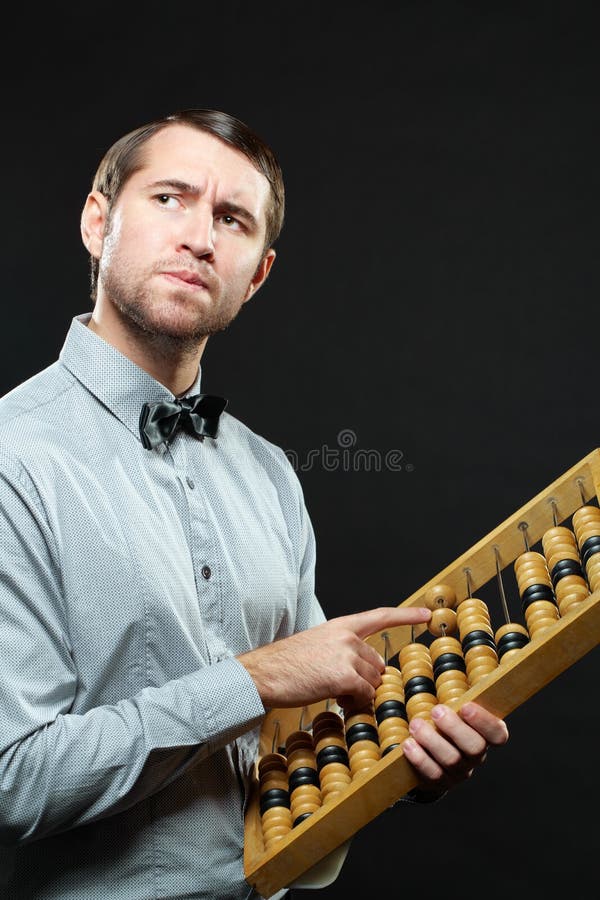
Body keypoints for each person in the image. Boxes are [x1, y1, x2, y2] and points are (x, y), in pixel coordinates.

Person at [0, 108, 508, 900]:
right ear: (98, 223)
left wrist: (407, 760)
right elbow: (13, 782)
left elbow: (307, 739)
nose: (200, 237)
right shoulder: (12, 458)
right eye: (170, 198)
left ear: (257, 273)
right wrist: (254, 678)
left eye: (231, 219)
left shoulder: (271, 475)